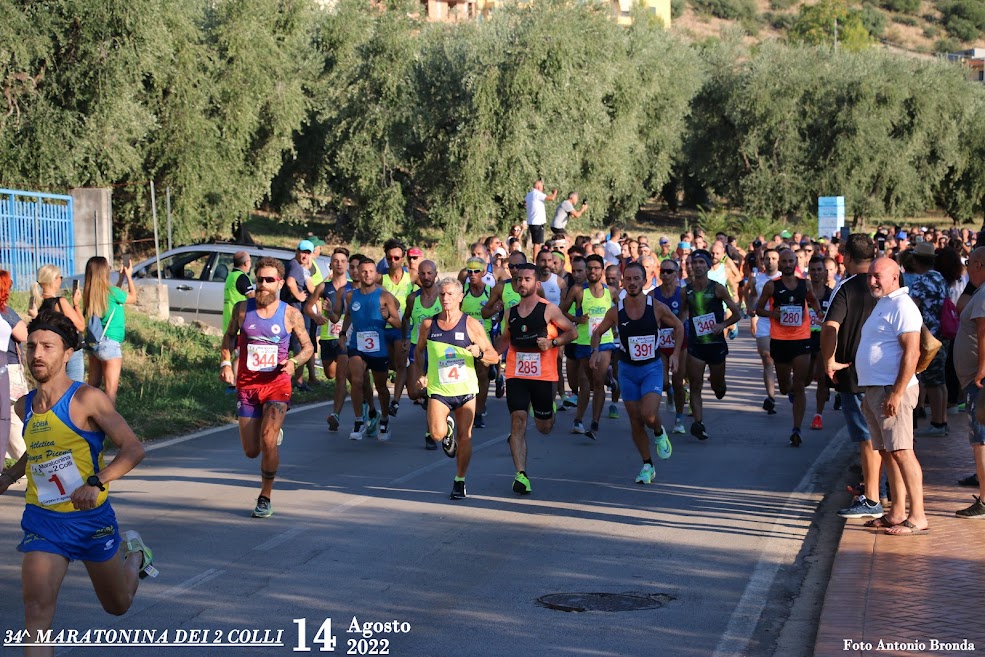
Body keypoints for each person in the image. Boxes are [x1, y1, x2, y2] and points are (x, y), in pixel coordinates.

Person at [1, 310, 156, 657]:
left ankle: (135, 557)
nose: (37, 354)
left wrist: (97, 482)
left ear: (67, 353)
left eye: (48, 347)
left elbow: (133, 449)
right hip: (43, 521)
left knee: (117, 605)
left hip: (90, 521)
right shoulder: (25, 405)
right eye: (32, 347)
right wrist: (11, 475)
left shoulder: (87, 399)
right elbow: (41, 451)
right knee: (36, 613)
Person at [832, 258, 927, 535]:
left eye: (878, 276)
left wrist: (897, 392)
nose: (872, 281)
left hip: (891, 389)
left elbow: (912, 352)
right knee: (887, 452)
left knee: (902, 451)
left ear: (895, 277)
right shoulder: (884, 303)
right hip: (876, 389)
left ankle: (917, 515)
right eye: (870, 276)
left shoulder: (902, 306)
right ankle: (897, 511)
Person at [220, 257, 314, 518]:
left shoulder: (291, 314)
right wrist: (226, 363)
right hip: (248, 386)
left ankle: (265, 496)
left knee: (268, 439)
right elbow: (228, 336)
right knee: (251, 451)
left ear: (280, 283)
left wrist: (294, 362)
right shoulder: (242, 310)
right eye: (259, 279)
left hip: (276, 385)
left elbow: (308, 347)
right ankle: (270, 434)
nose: (262, 285)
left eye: (269, 280)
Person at [592, 263, 683, 483]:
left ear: (644, 281)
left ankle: (659, 432)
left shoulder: (657, 307)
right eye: (628, 279)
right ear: (623, 281)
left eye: (637, 278)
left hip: (651, 368)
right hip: (627, 370)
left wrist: (675, 354)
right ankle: (647, 465)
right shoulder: (616, 311)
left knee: (648, 414)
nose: (632, 283)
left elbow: (679, 326)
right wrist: (595, 351)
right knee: (635, 420)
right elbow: (598, 332)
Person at [416, 278, 500, 499]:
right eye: (442, 294)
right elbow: (418, 351)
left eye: (451, 294)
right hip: (439, 389)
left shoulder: (472, 325)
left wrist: (479, 354)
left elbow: (493, 356)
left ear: (460, 297)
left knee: (466, 437)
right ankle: (446, 430)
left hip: (465, 390)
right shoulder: (428, 325)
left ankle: (460, 480)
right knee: (436, 433)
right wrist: (422, 375)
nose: (446, 298)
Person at [497, 263, 577, 495]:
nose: (522, 283)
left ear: (536, 284)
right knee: (518, 421)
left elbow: (571, 332)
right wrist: (487, 355)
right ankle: (521, 475)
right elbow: (504, 340)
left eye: (527, 279)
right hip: (516, 374)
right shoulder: (510, 312)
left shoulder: (548, 309)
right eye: (518, 279)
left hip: (543, 375)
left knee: (544, 427)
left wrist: (552, 343)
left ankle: (547, 411)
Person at [823, 234, 886, 518]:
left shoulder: (845, 288)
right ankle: (880, 491)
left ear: (846, 258)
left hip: (855, 373)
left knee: (868, 439)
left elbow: (830, 327)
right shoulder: (888, 284)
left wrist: (829, 361)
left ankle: (872, 498)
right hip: (887, 372)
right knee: (884, 438)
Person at [755, 249, 821, 447]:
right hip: (780, 340)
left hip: (801, 339)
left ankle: (796, 429)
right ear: (780, 264)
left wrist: (818, 312)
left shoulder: (804, 284)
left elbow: (813, 300)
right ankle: (789, 390)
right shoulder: (771, 286)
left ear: (796, 263)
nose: (787, 264)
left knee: (800, 385)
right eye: (784, 261)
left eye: (791, 260)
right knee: (784, 387)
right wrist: (772, 314)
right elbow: (758, 309)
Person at [341, 259, 402, 442]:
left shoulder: (384, 296)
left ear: (376, 274)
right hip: (357, 344)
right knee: (357, 381)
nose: (367, 274)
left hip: (378, 347)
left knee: (381, 387)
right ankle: (359, 420)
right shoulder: (351, 296)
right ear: (358, 274)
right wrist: (343, 333)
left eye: (371, 271)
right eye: (363, 271)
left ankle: (383, 419)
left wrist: (388, 317)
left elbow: (399, 323)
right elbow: (349, 315)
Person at [684, 249, 742, 440]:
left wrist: (723, 325)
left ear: (709, 266)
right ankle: (698, 423)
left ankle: (719, 384)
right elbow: (682, 315)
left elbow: (737, 314)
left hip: (716, 344)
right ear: (691, 266)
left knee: (718, 389)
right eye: (695, 262)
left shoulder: (718, 288)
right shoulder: (687, 291)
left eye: (702, 262)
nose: (698, 266)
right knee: (695, 384)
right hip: (696, 345)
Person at [562, 254, 619, 439]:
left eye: (596, 268)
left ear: (602, 271)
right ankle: (579, 419)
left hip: (604, 342)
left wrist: (619, 328)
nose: (592, 271)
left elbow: (622, 311)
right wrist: (577, 319)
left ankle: (594, 423)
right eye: (589, 268)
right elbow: (562, 310)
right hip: (583, 342)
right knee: (585, 382)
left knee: (598, 380)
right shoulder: (578, 290)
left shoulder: (611, 291)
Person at [952, 248, 985, 517]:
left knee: (981, 440)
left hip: (979, 379)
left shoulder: (984, 294)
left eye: (968, 263)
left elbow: (984, 332)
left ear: (979, 264)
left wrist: (982, 370)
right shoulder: (979, 291)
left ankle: (984, 501)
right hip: (975, 377)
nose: (966, 267)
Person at [907, 242, 951, 437]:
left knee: (932, 382)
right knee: (940, 381)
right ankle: (942, 421)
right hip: (943, 335)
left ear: (916, 261)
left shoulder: (921, 282)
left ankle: (936, 423)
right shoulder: (939, 278)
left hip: (928, 337)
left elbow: (912, 308)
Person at [307, 248, 354, 432]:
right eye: (336, 261)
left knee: (341, 378)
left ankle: (335, 414)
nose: (339, 263)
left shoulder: (353, 287)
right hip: (327, 337)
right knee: (331, 374)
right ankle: (361, 390)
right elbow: (308, 307)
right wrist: (316, 316)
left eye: (343, 260)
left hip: (346, 337)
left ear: (347, 264)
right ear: (331, 264)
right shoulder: (323, 287)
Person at [81, 256, 135, 404]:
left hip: (95, 344)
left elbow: (113, 297)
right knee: (110, 393)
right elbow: (132, 297)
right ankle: (108, 424)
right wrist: (129, 277)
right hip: (110, 345)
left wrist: (121, 279)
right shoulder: (112, 292)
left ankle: (87, 418)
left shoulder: (90, 293)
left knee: (92, 387)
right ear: (104, 272)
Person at [652, 259, 689, 434]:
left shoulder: (682, 293)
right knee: (664, 382)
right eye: (663, 271)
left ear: (677, 274)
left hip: (679, 341)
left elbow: (686, 311)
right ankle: (670, 393)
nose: (665, 275)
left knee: (678, 380)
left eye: (669, 271)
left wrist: (678, 324)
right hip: (661, 342)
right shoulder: (653, 295)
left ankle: (679, 418)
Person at [378, 239, 414, 416]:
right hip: (383, 327)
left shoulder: (412, 277)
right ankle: (385, 395)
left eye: (397, 257)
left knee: (400, 364)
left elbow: (431, 289)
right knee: (387, 365)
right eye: (390, 258)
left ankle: (396, 401)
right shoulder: (380, 278)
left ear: (403, 258)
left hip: (403, 327)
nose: (393, 261)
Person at [461, 258, 496, 430]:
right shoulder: (463, 291)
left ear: (483, 273)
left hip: (484, 337)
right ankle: (465, 408)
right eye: (469, 271)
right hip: (465, 338)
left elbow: (497, 311)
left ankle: (479, 411)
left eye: (476, 271)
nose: (472, 274)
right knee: (466, 375)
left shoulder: (490, 292)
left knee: (482, 375)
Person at [402, 259, 441, 411]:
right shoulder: (413, 298)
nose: (426, 277)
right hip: (416, 346)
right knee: (413, 392)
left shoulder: (443, 297)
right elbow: (405, 318)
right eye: (423, 274)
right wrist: (405, 337)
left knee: (436, 391)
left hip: (436, 348)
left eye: (429, 273)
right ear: (418, 275)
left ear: (435, 275)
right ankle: (426, 395)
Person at [1, 270, 28, 466]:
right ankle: (27, 462)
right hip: (9, 368)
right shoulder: (5, 311)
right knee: (16, 414)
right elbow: (23, 334)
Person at [281, 240, 316, 390]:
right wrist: (299, 296)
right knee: (299, 347)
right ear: (296, 251)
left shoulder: (297, 266)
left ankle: (297, 380)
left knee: (296, 346)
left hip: (295, 312)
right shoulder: (295, 265)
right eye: (302, 252)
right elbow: (290, 282)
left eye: (308, 253)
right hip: (295, 313)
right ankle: (299, 382)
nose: (304, 255)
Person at [750, 249, 780, 414]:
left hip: (783, 324)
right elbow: (753, 296)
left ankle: (788, 387)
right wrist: (751, 313)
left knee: (783, 361)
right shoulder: (758, 279)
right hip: (764, 321)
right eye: (767, 258)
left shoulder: (785, 278)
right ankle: (771, 398)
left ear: (779, 261)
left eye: (774, 258)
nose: (770, 261)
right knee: (767, 358)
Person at [807, 256, 834, 430]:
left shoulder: (831, 295)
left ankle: (818, 416)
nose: (816, 273)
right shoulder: (803, 293)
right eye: (813, 270)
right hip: (803, 339)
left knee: (822, 379)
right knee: (804, 379)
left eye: (819, 270)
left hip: (823, 341)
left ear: (825, 273)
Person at [222, 251, 255, 382]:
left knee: (233, 352)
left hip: (229, 319)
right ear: (246, 263)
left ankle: (231, 380)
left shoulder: (231, 276)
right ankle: (234, 383)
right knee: (240, 354)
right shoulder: (242, 277)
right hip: (240, 321)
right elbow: (252, 298)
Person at [525, 180, 558, 257]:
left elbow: (525, 203)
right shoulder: (537, 194)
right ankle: (535, 260)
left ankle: (535, 258)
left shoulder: (529, 195)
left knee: (535, 242)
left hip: (531, 221)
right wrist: (555, 192)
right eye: (542, 187)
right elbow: (552, 198)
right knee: (537, 243)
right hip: (538, 222)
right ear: (539, 187)